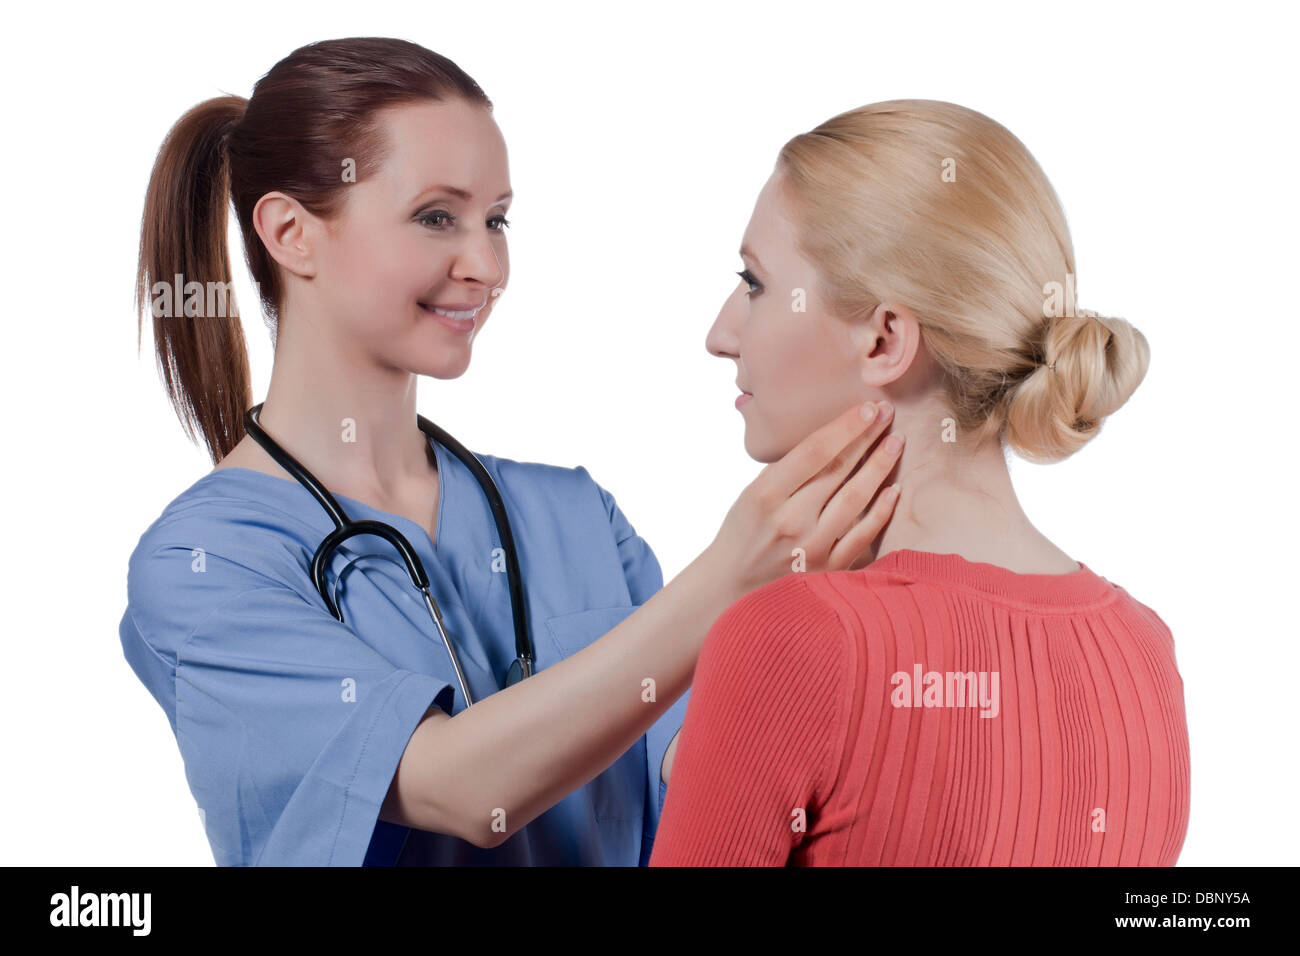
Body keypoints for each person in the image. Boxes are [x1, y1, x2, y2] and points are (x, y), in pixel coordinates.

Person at [120, 37, 906, 866]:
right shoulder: (205, 565)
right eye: (436, 218)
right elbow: (459, 791)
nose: (487, 265)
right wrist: (729, 579)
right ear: (291, 233)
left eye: (496, 219)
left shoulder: (573, 516)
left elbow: (691, 780)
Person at [650, 99, 1191, 866]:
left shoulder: (792, 639)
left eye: (755, 283)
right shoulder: (1141, 651)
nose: (721, 333)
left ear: (884, 338)